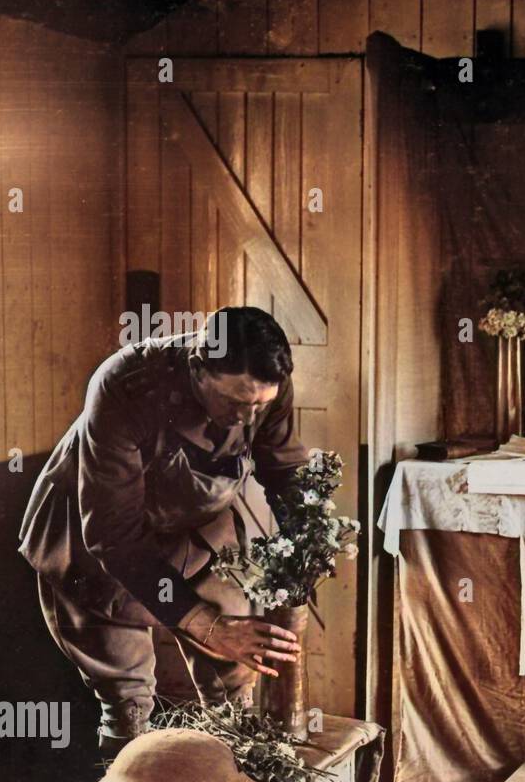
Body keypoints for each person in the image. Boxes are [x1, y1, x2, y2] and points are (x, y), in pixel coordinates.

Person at [19, 307, 310, 756]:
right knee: (127, 698)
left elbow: (287, 471)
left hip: (194, 525)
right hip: (97, 540)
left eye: (259, 406)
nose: (247, 417)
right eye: (235, 403)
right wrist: (204, 625)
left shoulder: (265, 382)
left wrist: (307, 549)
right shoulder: (125, 385)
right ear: (198, 368)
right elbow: (115, 537)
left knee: (236, 681)